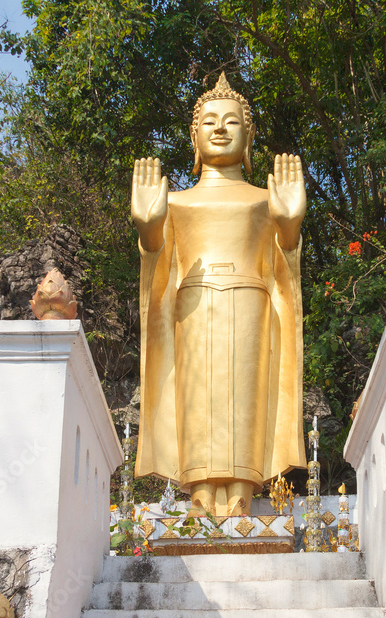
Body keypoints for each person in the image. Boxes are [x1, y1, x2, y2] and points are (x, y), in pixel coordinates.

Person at [132, 73, 306, 516]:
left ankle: (243, 493)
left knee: (246, 396)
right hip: (192, 304)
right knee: (196, 398)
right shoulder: (177, 202)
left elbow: (283, 265)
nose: (221, 129)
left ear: (248, 138)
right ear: (194, 136)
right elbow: (159, 267)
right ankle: (200, 494)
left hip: (251, 303)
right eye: (209, 122)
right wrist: (150, 230)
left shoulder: (264, 199)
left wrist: (289, 225)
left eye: (232, 122)